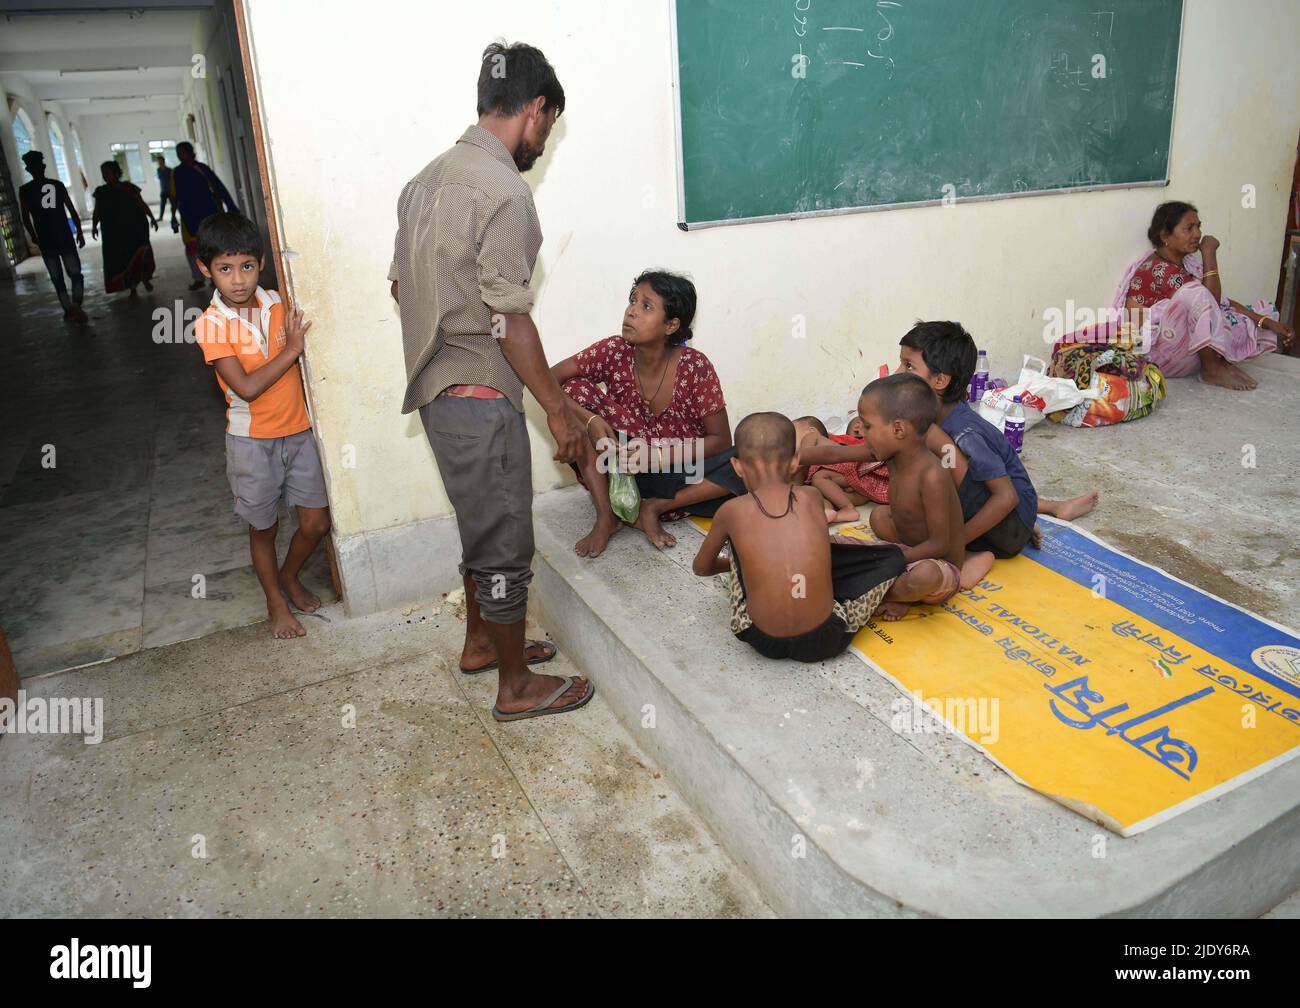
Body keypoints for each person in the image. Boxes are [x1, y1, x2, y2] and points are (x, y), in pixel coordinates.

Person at [388, 41, 592, 722]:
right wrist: (559, 411)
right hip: (480, 398)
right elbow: (511, 318)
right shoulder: (505, 191)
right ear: (533, 109)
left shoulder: (425, 179)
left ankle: (481, 640)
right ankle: (515, 687)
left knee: (480, 527)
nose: (543, 144)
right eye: (548, 127)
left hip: (440, 398)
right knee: (505, 540)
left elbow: (400, 286)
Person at [192, 213, 331, 639]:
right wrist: (291, 351)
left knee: (315, 523)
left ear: (262, 263)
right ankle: (275, 602)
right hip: (251, 442)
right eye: (225, 269)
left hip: (299, 431)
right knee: (264, 526)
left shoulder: (276, 303)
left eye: (247, 267)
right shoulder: (210, 325)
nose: (238, 280)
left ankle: (290, 576)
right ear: (205, 269)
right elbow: (248, 387)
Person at [552, 270, 741, 555]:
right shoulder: (613, 351)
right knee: (574, 391)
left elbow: (720, 440)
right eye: (632, 301)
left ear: (671, 325)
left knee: (754, 456)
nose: (631, 312)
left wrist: (658, 456)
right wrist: (590, 420)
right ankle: (608, 515)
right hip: (624, 473)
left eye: (646, 306)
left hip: (680, 475)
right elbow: (549, 380)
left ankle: (654, 508)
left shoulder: (695, 366)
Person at [692, 412, 905, 662]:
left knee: (740, 542)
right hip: (825, 640)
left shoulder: (730, 512)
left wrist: (741, 564)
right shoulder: (811, 497)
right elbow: (819, 556)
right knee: (891, 557)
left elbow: (702, 568)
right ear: (795, 462)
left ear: (737, 466)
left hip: (763, 639)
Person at [1108, 201, 1294, 390]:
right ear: (1165, 236)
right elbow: (1208, 300)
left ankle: (1220, 362)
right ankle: (1212, 369)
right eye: (1188, 228)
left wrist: (1264, 321)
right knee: (1201, 298)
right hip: (1152, 354)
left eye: (1198, 226)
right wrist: (1209, 253)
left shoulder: (1185, 263)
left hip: (1175, 344)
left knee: (1249, 314)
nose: (1197, 234)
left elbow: (1221, 302)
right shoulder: (1159, 269)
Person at [854, 374, 991, 620]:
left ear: (898, 429)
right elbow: (838, 454)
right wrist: (803, 456)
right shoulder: (894, 451)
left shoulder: (933, 475)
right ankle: (894, 589)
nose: (861, 432)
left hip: (938, 562)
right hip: (911, 547)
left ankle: (893, 595)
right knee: (877, 519)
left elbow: (940, 545)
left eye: (867, 426)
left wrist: (889, 560)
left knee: (924, 577)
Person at [17, 150, 87, 323]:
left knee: (57, 278)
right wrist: (79, 231)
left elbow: (25, 218)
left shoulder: (25, 190)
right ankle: (76, 306)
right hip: (64, 236)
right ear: (43, 167)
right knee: (75, 273)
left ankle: (69, 309)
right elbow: (71, 210)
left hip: (46, 240)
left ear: (28, 170)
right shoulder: (57, 185)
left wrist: (34, 237)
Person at [170, 140, 239, 290]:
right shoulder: (176, 173)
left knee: (213, 247)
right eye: (178, 153)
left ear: (191, 152)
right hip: (188, 216)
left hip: (208, 213)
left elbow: (218, 187)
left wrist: (231, 206)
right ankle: (198, 278)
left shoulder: (201, 169)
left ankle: (216, 278)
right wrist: (172, 217)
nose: (181, 155)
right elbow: (174, 196)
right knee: (192, 249)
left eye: (183, 152)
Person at [792, 415, 888, 523]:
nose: (788, 443)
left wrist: (793, 467)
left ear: (812, 431)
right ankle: (828, 511)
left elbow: (803, 458)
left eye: (791, 436)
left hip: (852, 468)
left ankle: (847, 508)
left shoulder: (811, 437)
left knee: (819, 478)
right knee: (820, 492)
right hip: (852, 483)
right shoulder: (811, 469)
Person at [91, 160, 158, 295]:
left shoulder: (129, 187)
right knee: (123, 259)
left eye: (107, 173)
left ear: (116, 173)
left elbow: (141, 203)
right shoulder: (101, 192)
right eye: (103, 173)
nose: (105, 176)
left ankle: (145, 278)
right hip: (114, 232)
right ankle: (132, 286)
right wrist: (94, 226)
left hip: (134, 228)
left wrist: (152, 218)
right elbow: (97, 211)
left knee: (139, 254)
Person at [154, 153, 175, 224]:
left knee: (173, 205)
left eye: (160, 161)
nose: (159, 163)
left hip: (170, 190)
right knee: (162, 205)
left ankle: (173, 217)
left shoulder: (169, 170)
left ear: (163, 161)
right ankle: (160, 217)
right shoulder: (158, 170)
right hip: (163, 190)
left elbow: (173, 180)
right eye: (158, 162)